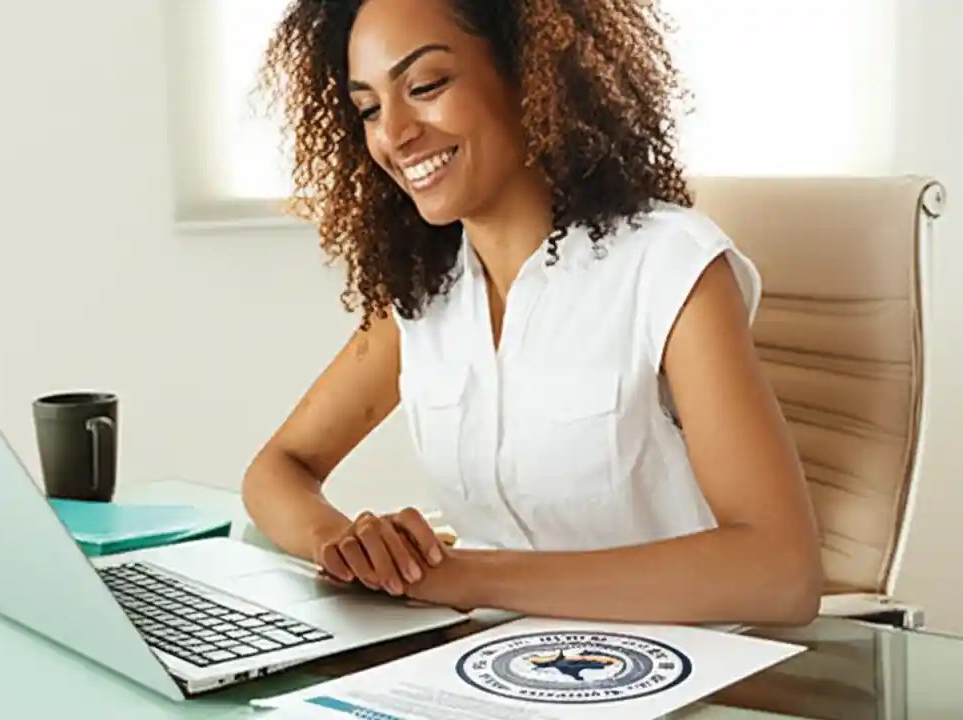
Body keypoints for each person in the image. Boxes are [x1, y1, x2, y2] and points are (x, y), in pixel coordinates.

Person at [242, 0, 823, 626]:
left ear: (529, 71)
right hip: (495, 669)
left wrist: (462, 577)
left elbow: (781, 572)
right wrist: (346, 545)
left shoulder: (670, 266)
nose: (395, 133)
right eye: (370, 109)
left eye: (426, 85)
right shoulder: (424, 295)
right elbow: (278, 469)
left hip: (686, 674)